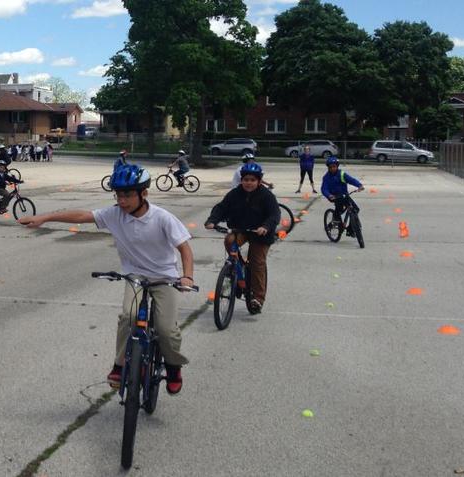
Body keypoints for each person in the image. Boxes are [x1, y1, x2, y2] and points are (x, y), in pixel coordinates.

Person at [18, 164, 195, 394]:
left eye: (128, 195)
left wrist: (187, 276)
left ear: (144, 194)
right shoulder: (114, 214)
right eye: (118, 195)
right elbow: (81, 215)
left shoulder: (162, 218)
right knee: (129, 317)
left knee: (165, 329)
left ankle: (173, 367)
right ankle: (119, 366)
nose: (122, 201)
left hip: (165, 278)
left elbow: (185, 249)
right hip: (136, 276)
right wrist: (45, 217)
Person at [205, 162, 279, 314]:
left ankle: (257, 298)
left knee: (257, 262)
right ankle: (236, 267)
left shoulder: (266, 195)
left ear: (259, 181)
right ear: (241, 180)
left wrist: (265, 226)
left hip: (260, 233)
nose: (249, 183)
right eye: (246, 180)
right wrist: (212, 220)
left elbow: (274, 214)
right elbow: (221, 207)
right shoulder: (235, 193)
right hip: (241, 230)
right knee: (230, 240)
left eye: (252, 180)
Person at [321, 156, 364, 231]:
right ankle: (335, 222)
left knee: (355, 209)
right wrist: (329, 195)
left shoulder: (341, 174)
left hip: (344, 195)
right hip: (334, 196)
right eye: (330, 167)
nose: (332, 169)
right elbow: (324, 189)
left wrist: (359, 185)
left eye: (334, 167)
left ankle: (351, 228)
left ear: (337, 166)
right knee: (339, 208)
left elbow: (351, 180)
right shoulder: (326, 177)